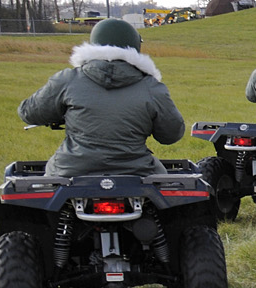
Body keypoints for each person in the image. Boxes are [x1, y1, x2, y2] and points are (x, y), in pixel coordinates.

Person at [17, 18, 184, 177]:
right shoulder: (152, 87)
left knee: (47, 185)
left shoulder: (68, 79)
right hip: (136, 170)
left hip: (72, 169)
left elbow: (29, 113)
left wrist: (59, 113)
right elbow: (171, 134)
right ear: (135, 47)